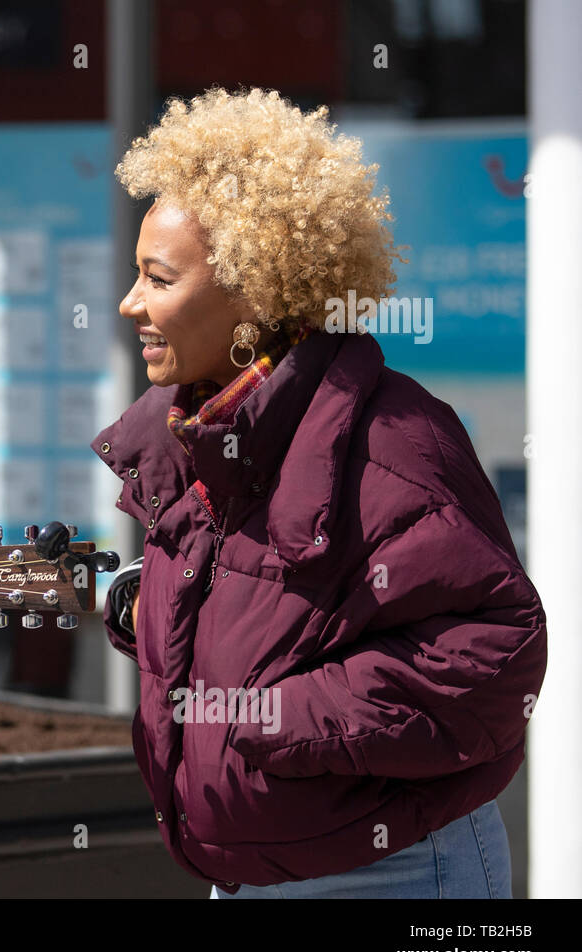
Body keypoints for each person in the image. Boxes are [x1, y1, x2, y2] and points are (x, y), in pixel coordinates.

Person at [95, 87, 546, 898]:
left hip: (394, 872)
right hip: (251, 873)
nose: (131, 303)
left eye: (156, 278)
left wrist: (274, 720)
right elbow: (278, 618)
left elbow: (498, 651)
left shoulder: (394, 439)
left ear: (254, 292)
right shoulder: (192, 437)